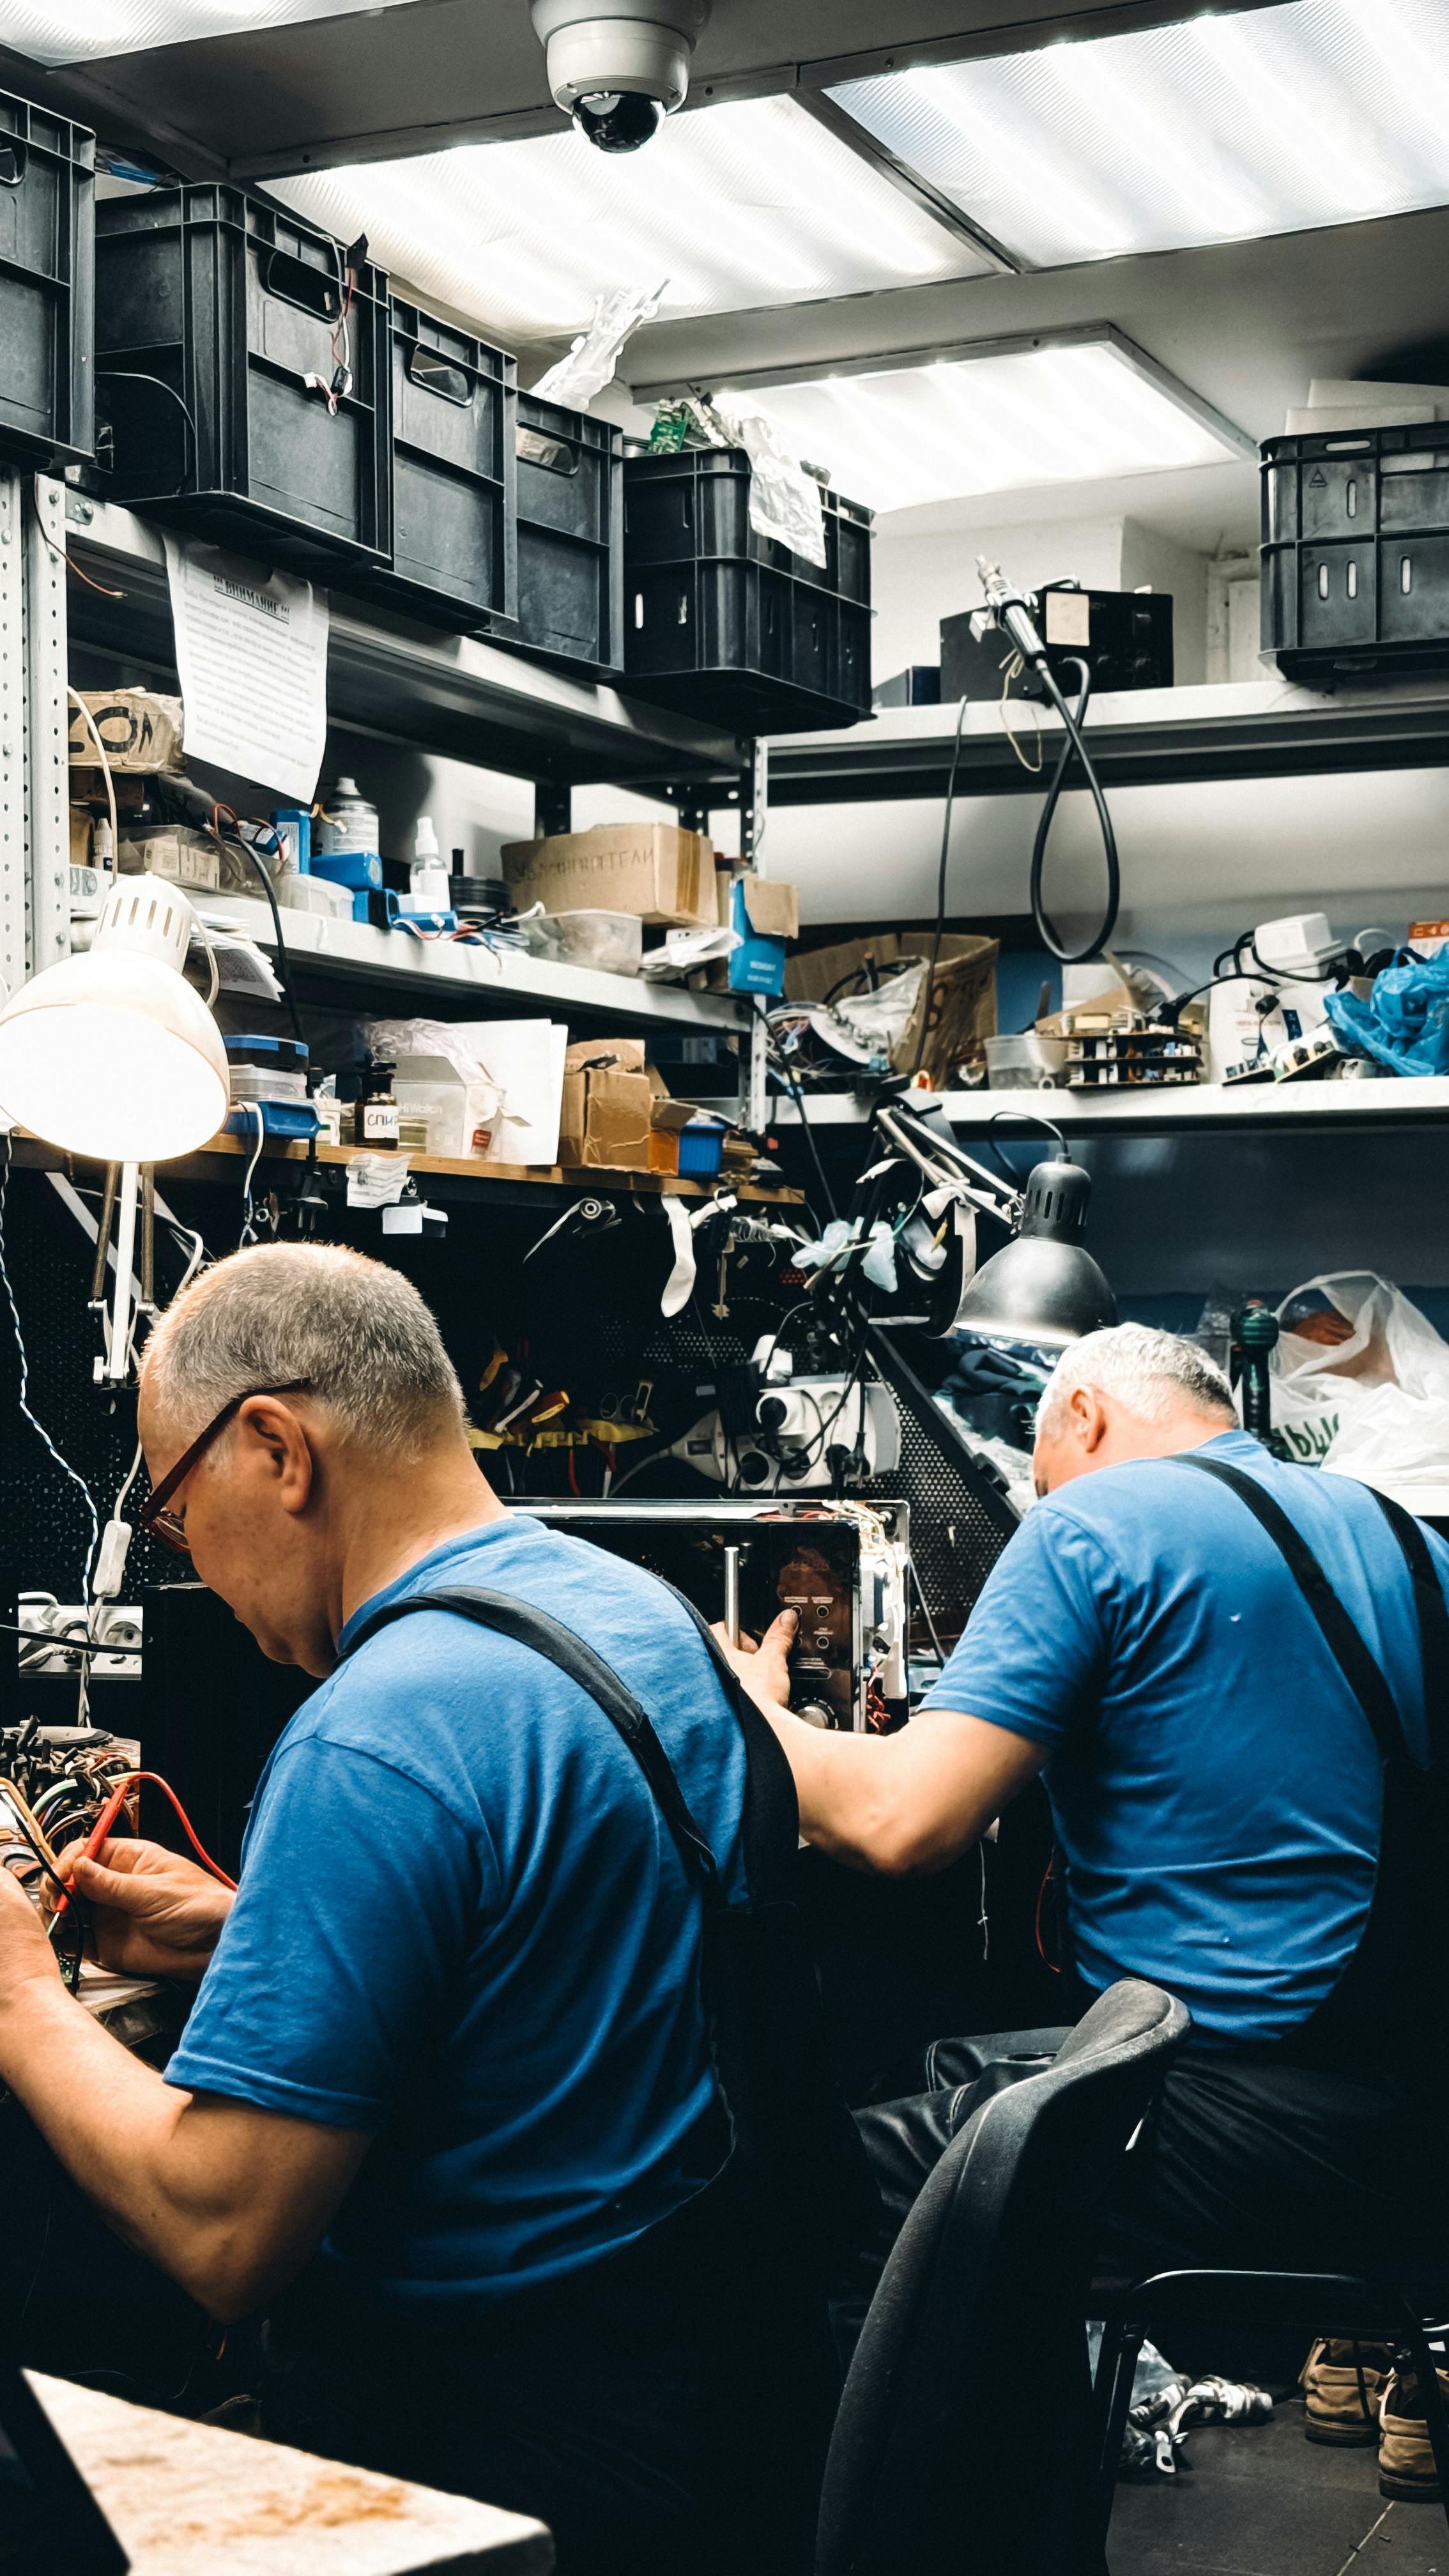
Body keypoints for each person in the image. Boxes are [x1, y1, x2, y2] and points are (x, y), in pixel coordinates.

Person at [0, 1243, 837, 2575]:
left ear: (276, 1447)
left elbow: (225, 2236)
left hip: (495, 2454)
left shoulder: (377, 1735)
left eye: (172, 1510)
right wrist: (246, 1925)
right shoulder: (640, 1619)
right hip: (715, 2405)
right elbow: (586, 1926)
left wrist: (20, 1997)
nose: (191, 1560)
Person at [723, 1322, 1449, 2319]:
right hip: (1404, 2117)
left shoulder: (1097, 1521)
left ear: (1084, 1413)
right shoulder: (1407, 1534)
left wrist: (739, 1711)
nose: (1041, 1499)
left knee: (793, 2201)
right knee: (933, 2070)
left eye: (1041, 1475)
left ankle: (946, 2480)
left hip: (1231, 2108)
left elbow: (902, 1822)